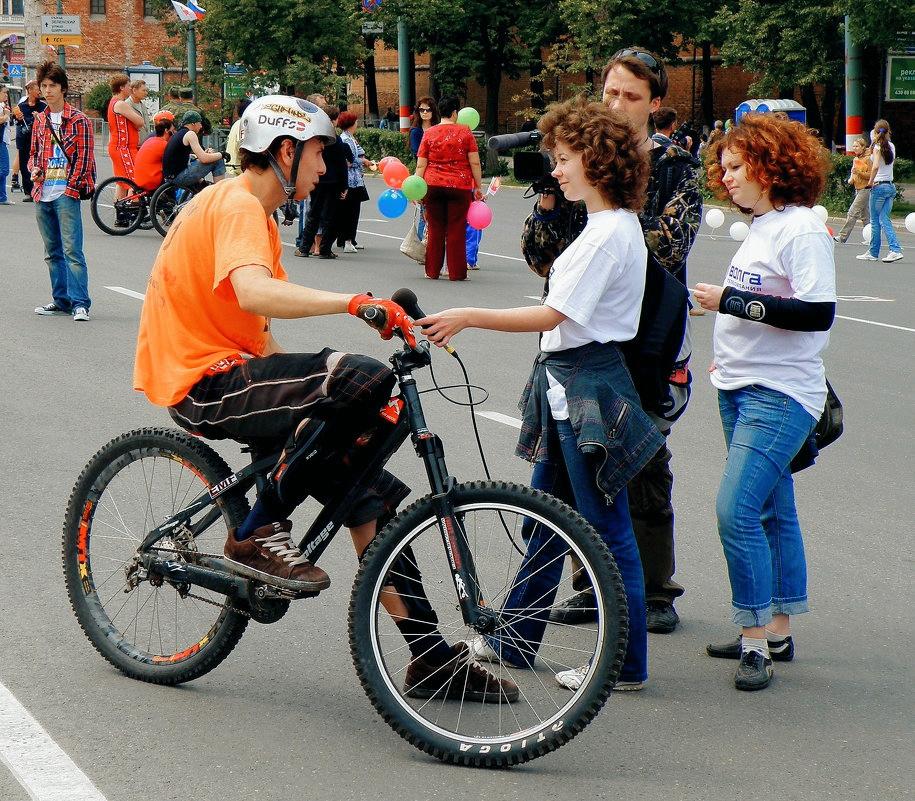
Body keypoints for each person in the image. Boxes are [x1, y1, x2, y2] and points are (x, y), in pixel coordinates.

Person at [132, 94, 517, 703]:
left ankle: (431, 658)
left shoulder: (254, 214)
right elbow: (255, 293)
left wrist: (307, 393)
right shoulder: (236, 202)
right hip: (200, 378)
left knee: (364, 492)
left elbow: (256, 329)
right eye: (318, 154)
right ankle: (254, 533)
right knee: (357, 376)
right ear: (285, 151)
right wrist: (351, 304)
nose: (324, 169)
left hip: (236, 369)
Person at [418, 96, 663, 691]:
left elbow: (553, 314)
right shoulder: (607, 226)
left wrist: (468, 314)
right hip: (573, 383)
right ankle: (516, 639)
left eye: (565, 157)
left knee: (603, 531)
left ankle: (625, 664)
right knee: (547, 520)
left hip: (586, 384)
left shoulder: (607, 234)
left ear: (598, 161)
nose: (555, 168)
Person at [525, 47, 702, 634]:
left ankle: (651, 591)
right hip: (578, 336)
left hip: (646, 337)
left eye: (631, 96)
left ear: (655, 104)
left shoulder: (674, 165)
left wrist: (607, 197)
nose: (617, 104)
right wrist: (552, 196)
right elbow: (538, 255)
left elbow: (668, 246)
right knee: (566, 474)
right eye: (609, 92)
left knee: (639, 464)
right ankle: (582, 589)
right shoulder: (578, 168)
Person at [694, 112, 836, 691]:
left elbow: (817, 313)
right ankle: (776, 628)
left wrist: (731, 303)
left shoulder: (800, 229)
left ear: (769, 166)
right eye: (723, 168)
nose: (725, 179)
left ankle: (754, 641)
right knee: (775, 509)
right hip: (740, 385)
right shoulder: (764, 226)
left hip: (780, 395)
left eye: (735, 167)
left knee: (737, 510)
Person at [29, 62, 96, 322]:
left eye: (52, 86)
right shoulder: (40, 119)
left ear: (63, 88)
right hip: (42, 192)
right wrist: (34, 169)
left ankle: (80, 303)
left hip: (65, 193)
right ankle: (61, 300)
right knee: (52, 252)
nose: (47, 91)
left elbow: (85, 159)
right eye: (43, 86)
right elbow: (33, 154)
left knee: (72, 252)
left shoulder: (79, 120)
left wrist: (71, 188)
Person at [415, 96, 484, 281]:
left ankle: (432, 271)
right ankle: (457, 272)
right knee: (456, 228)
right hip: (459, 186)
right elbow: (475, 162)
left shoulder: (429, 133)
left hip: (433, 185)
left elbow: (421, 165)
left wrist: (417, 188)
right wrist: (478, 186)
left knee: (435, 227)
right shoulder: (465, 132)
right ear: (455, 113)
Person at [296, 103, 349, 259]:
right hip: (333, 183)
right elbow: (342, 165)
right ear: (335, 120)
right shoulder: (337, 140)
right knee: (330, 216)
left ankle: (304, 247)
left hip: (317, 180)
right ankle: (325, 249)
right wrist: (344, 186)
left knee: (314, 213)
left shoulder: (315, 139)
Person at [857, 120, 902, 263]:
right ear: (889, 132)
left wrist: (870, 182)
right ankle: (894, 249)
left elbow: (875, 166)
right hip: (890, 186)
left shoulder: (877, 147)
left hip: (879, 186)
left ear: (876, 133)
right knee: (884, 219)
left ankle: (874, 252)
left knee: (875, 221)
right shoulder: (891, 146)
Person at [335, 110, 373, 253]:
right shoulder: (346, 140)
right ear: (351, 123)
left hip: (353, 179)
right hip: (352, 180)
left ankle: (346, 239)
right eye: (356, 121)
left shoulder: (348, 138)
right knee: (351, 211)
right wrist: (364, 161)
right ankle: (348, 240)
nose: (357, 124)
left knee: (348, 211)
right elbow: (349, 161)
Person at [161, 110, 226, 188]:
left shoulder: (178, 134)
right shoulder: (190, 134)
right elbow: (204, 159)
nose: (201, 126)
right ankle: (220, 192)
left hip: (170, 177)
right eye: (199, 123)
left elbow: (194, 157)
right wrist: (222, 154)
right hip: (179, 178)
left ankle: (201, 185)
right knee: (218, 160)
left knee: (196, 159)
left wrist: (204, 153)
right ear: (193, 123)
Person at [409, 96, 440, 242]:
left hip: (440, 173)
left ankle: (434, 244)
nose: (425, 112)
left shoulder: (439, 128)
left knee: (438, 213)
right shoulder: (416, 131)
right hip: (424, 175)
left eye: (428, 110)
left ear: (433, 111)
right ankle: (423, 246)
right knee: (425, 213)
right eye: (422, 109)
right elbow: (418, 155)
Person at [106, 75, 144, 195]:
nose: (130, 88)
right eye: (128, 86)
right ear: (122, 87)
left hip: (120, 147)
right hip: (123, 147)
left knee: (122, 182)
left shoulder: (114, 102)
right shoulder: (120, 104)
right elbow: (140, 121)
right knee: (136, 180)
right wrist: (136, 124)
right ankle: (133, 209)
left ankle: (121, 210)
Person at [12, 79, 47, 202]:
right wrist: (17, 116)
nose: (39, 91)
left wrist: (39, 117)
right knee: (24, 165)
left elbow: (47, 121)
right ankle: (28, 192)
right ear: (30, 90)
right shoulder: (22, 106)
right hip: (23, 139)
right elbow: (16, 121)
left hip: (38, 140)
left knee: (39, 164)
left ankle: (39, 188)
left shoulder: (43, 106)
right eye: (37, 89)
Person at [834, 137, 871, 244]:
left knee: (852, 212)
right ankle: (871, 238)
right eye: (853, 146)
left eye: (857, 146)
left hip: (866, 188)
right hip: (858, 188)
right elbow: (853, 173)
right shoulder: (856, 159)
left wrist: (859, 173)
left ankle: (842, 236)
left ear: (863, 147)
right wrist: (851, 179)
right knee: (865, 216)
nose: (854, 148)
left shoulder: (868, 159)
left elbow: (871, 175)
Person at [133, 110, 175, 192]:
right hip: (151, 180)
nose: (174, 129)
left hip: (139, 177)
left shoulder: (151, 138)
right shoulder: (163, 144)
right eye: (172, 123)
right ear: (166, 129)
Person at [224, 97, 251, 177]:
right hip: (237, 170)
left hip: (230, 168)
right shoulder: (243, 124)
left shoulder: (236, 124)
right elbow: (243, 146)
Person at [129, 79, 153, 144]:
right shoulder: (126, 105)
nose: (146, 93)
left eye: (146, 91)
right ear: (134, 90)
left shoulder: (143, 106)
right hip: (133, 145)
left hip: (144, 145)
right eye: (143, 90)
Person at [0, 88, 12, 205]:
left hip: (3, 140)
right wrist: (6, 116)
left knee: (2, 170)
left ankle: (2, 197)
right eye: (4, 92)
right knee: (4, 169)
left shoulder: (2, 106)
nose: (6, 95)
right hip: (0, 141)